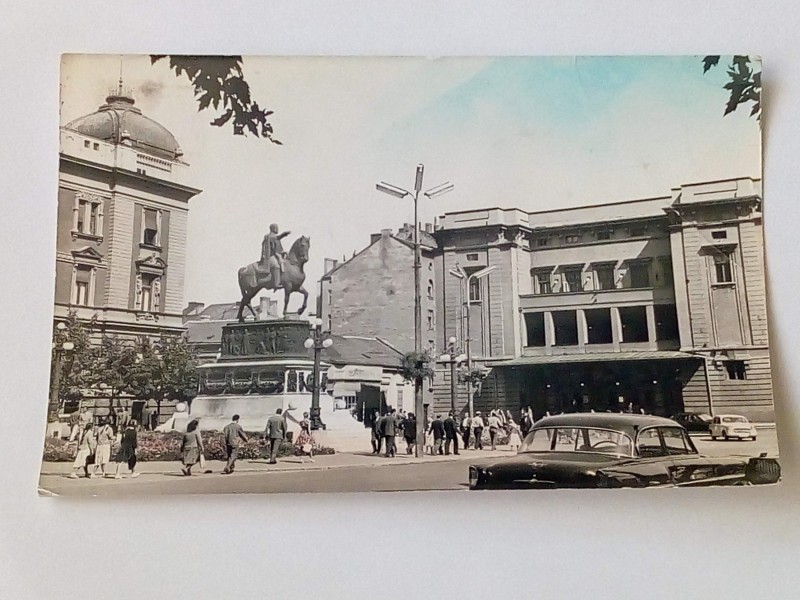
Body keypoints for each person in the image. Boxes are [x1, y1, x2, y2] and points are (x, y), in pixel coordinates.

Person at [261, 223, 291, 288]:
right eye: (276, 227)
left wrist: (283, 252)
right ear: (273, 228)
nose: (277, 229)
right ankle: (276, 283)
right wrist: (284, 234)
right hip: (270, 256)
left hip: (277, 255)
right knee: (275, 264)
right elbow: (277, 237)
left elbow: (279, 248)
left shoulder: (276, 238)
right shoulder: (269, 236)